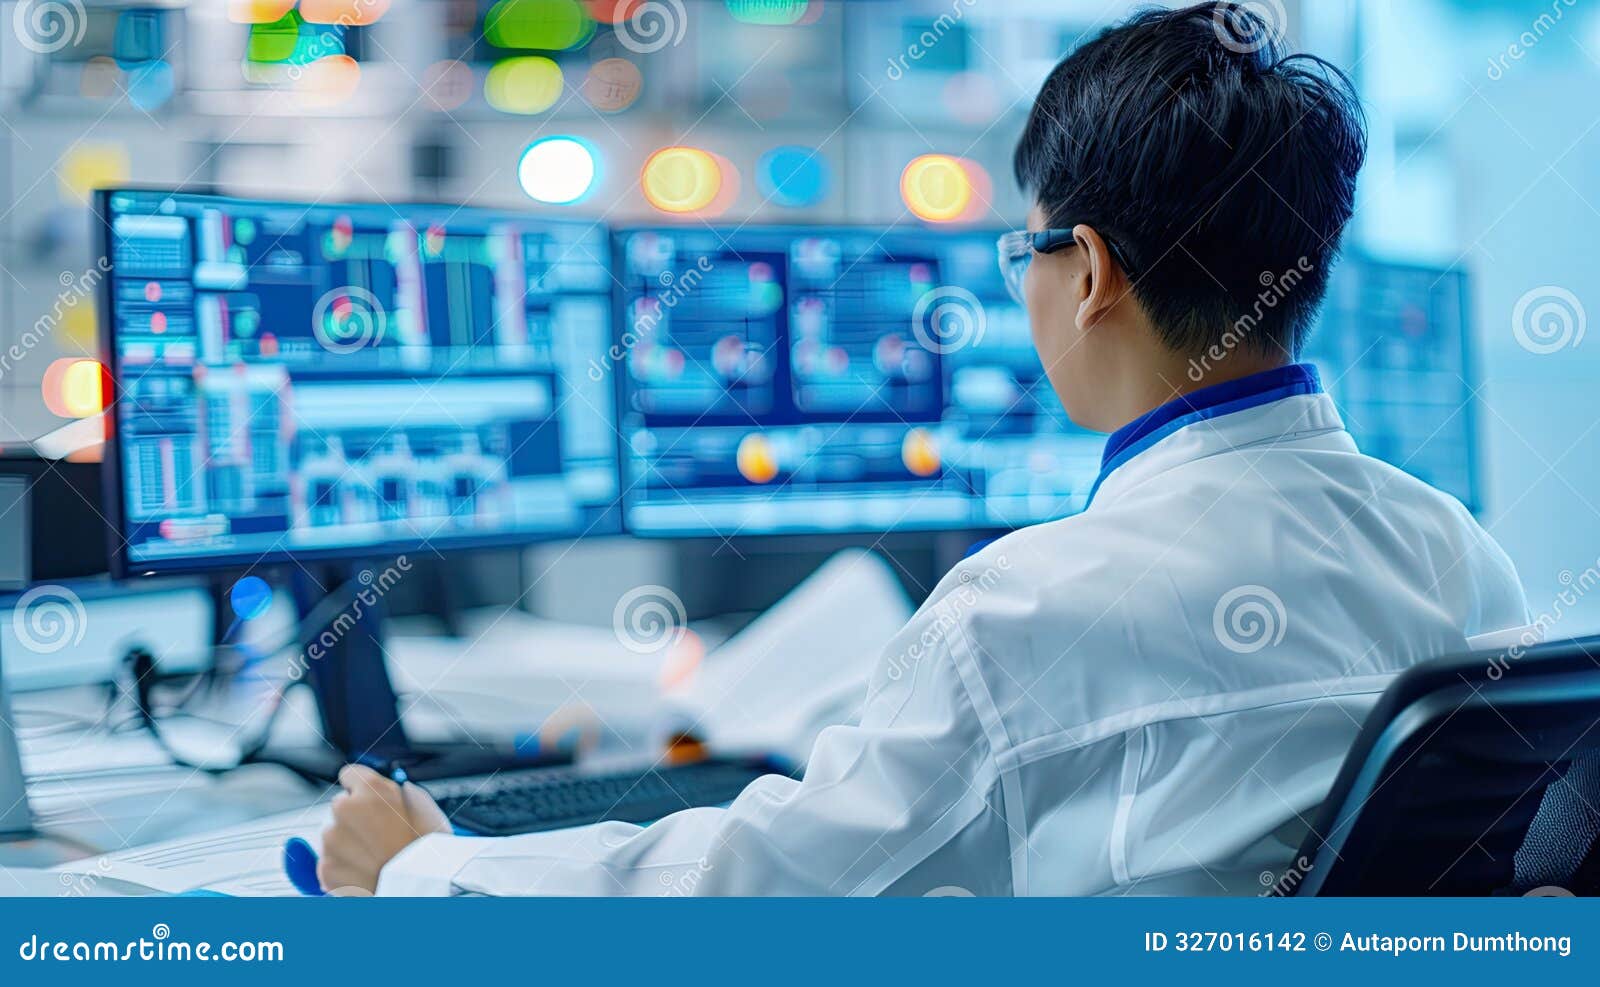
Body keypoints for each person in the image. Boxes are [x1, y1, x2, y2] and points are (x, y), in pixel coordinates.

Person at [318, 2, 1527, 896]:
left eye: (1024, 253)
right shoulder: (1459, 560)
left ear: (1088, 271)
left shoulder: (1024, 611)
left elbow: (755, 900)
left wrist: (422, 866)